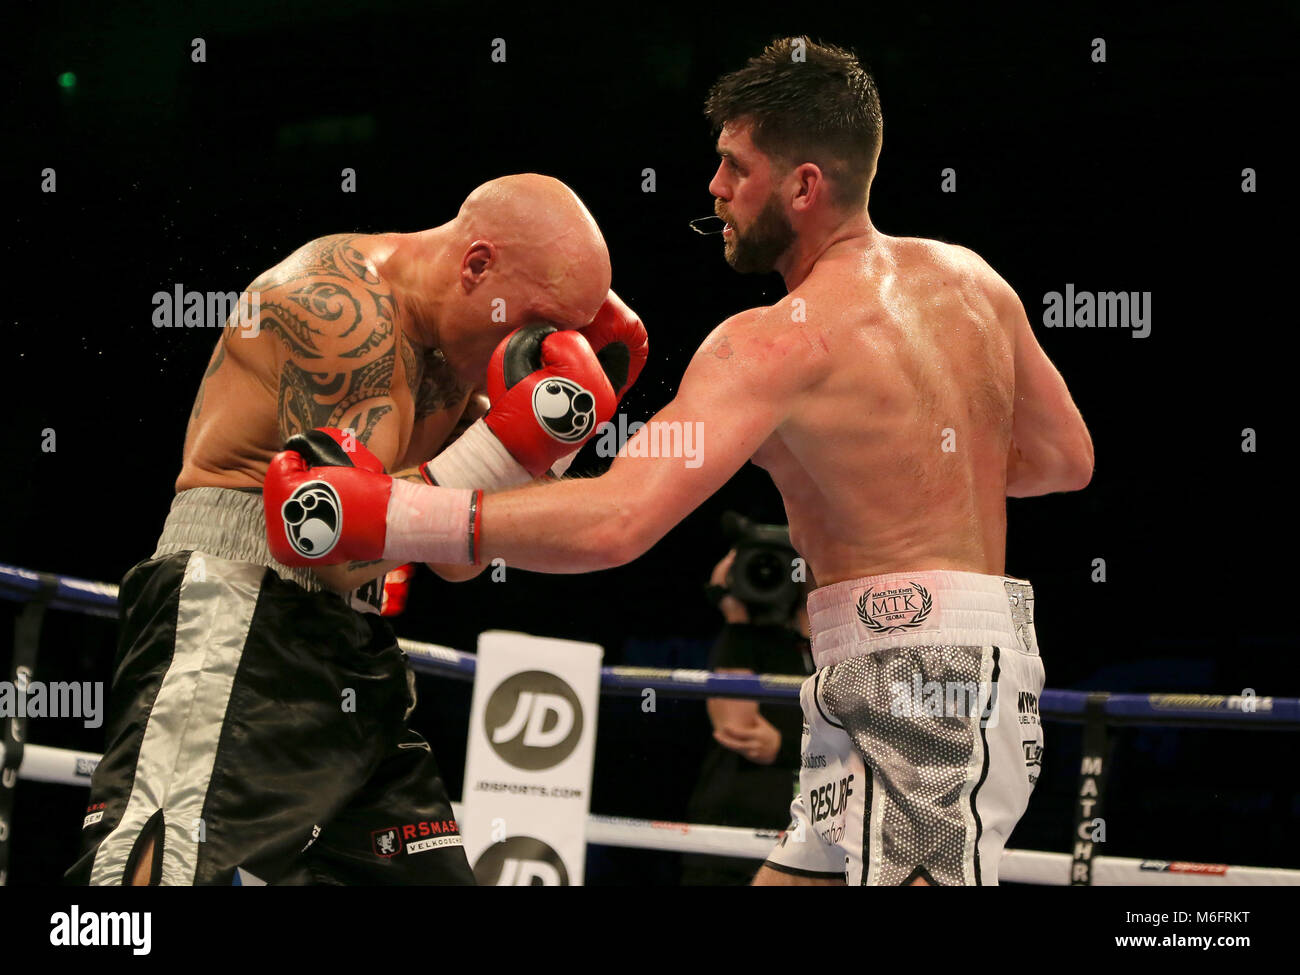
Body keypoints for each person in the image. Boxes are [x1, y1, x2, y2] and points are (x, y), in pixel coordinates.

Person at [266, 38, 1092, 886]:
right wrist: (908, 464)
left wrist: (387, 511)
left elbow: (618, 519)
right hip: (914, 665)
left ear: (804, 185)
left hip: (919, 682)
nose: (716, 189)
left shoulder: (771, 345)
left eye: (736, 167)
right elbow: (1064, 458)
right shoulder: (975, 284)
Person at [69, 174, 647, 885]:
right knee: (162, 869)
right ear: (477, 266)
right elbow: (333, 547)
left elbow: (459, 557)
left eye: (560, 336)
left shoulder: (465, 346)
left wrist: (550, 443)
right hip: (240, 606)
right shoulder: (341, 315)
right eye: (537, 324)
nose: (542, 348)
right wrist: (506, 442)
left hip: (349, 640)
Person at [682, 548, 811, 885]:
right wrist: (734, 612)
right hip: (736, 824)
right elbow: (737, 729)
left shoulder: (851, 646)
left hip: (822, 832)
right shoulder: (746, 639)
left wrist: (784, 746)